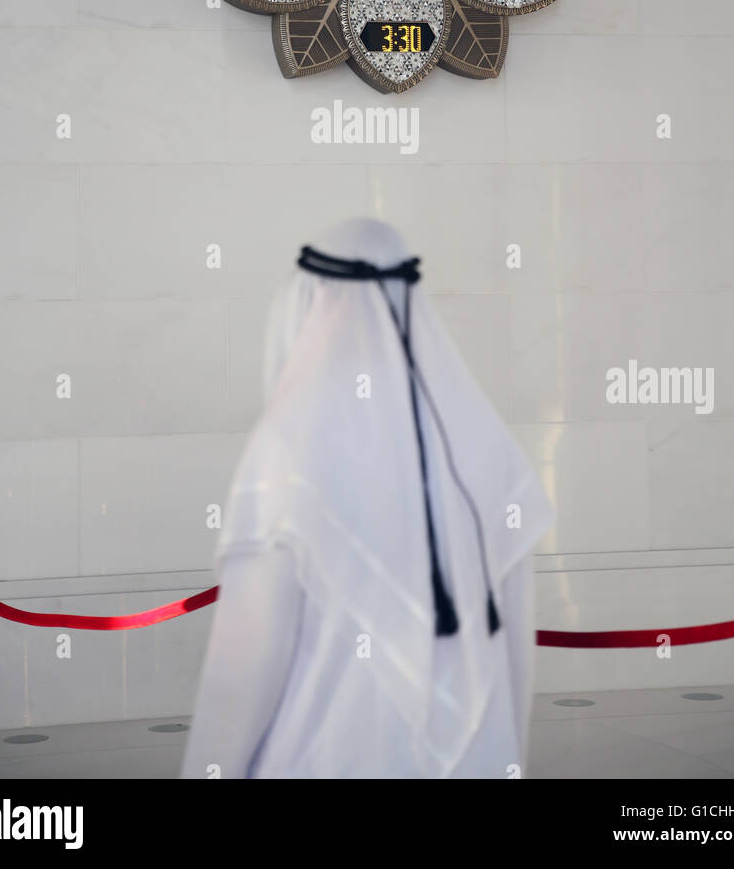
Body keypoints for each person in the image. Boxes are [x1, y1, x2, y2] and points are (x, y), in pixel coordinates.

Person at [181, 217, 553, 780]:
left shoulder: (288, 449)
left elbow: (244, 671)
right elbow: (515, 653)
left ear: (313, 304)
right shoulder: (487, 448)